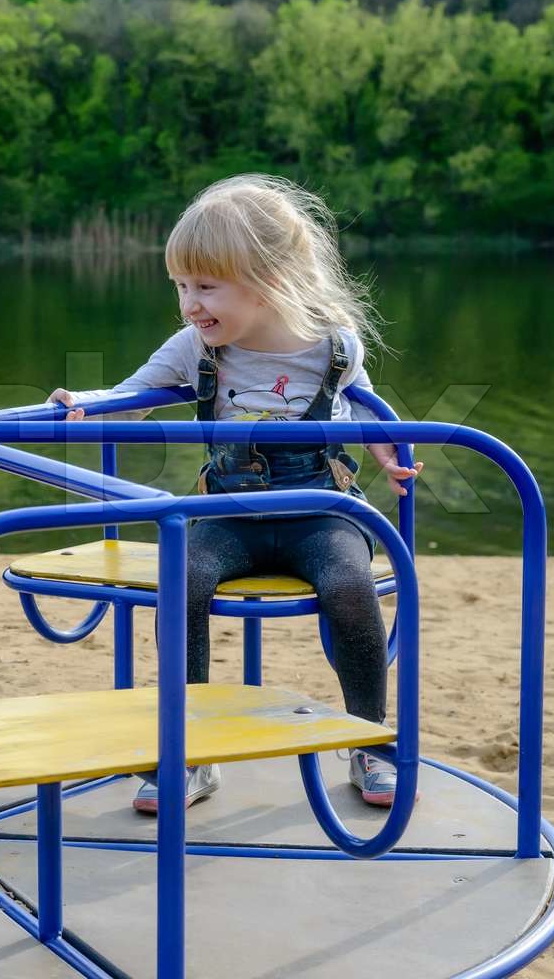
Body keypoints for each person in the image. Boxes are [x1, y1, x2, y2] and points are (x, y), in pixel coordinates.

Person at [48, 175, 423, 816]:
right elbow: (130, 398)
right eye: (182, 287)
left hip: (319, 513)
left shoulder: (334, 343)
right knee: (182, 579)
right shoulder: (196, 346)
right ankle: (188, 749)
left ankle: (371, 740)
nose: (190, 305)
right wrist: (86, 405)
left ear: (269, 280)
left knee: (351, 589)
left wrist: (387, 447)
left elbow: (362, 403)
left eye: (205, 288)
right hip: (226, 512)